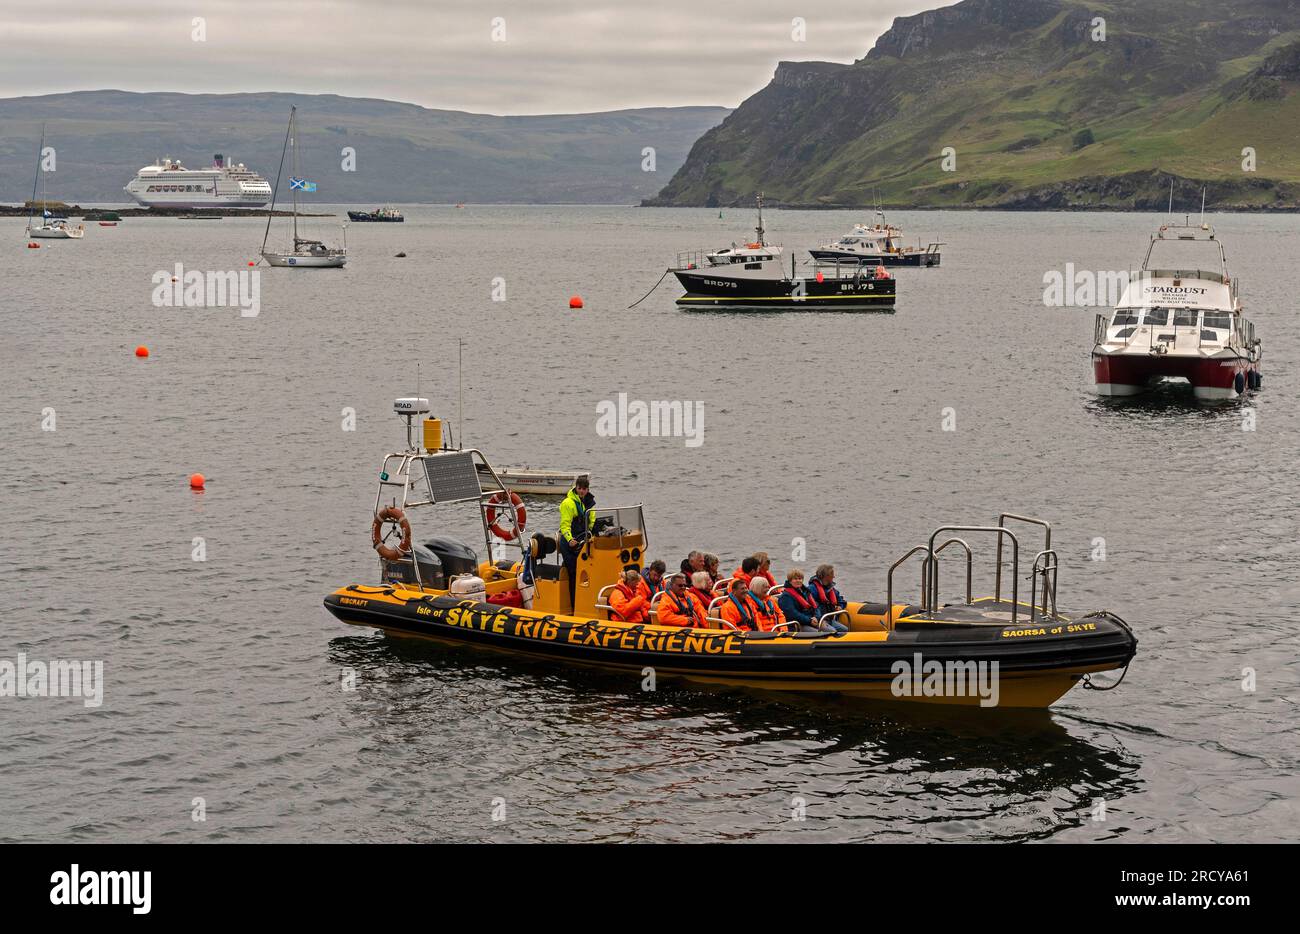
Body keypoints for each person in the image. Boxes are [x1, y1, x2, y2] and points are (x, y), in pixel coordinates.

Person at [558, 475, 594, 606]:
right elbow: (564, 525)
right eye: (580, 488)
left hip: (583, 540)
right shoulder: (568, 503)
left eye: (584, 489)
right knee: (574, 573)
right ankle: (574, 605)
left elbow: (592, 522)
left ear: (587, 490)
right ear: (576, 488)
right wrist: (569, 539)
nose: (582, 491)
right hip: (570, 543)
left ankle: (585, 601)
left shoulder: (589, 503)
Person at [809, 564, 848, 628]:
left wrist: (840, 606)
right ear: (826, 576)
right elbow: (812, 607)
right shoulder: (812, 589)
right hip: (819, 620)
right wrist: (819, 618)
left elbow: (841, 600)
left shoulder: (831, 589)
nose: (834, 576)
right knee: (833, 631)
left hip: (829, 619)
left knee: (844, 629)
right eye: (832, 574)